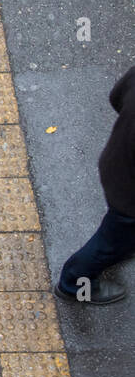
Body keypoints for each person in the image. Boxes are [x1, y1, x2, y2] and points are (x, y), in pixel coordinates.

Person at [55, 66, 135, 305]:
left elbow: (117, 95)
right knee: (110, 242)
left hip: (116, 163)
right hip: (129, 194)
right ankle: (74, 285)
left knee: (119, 231)